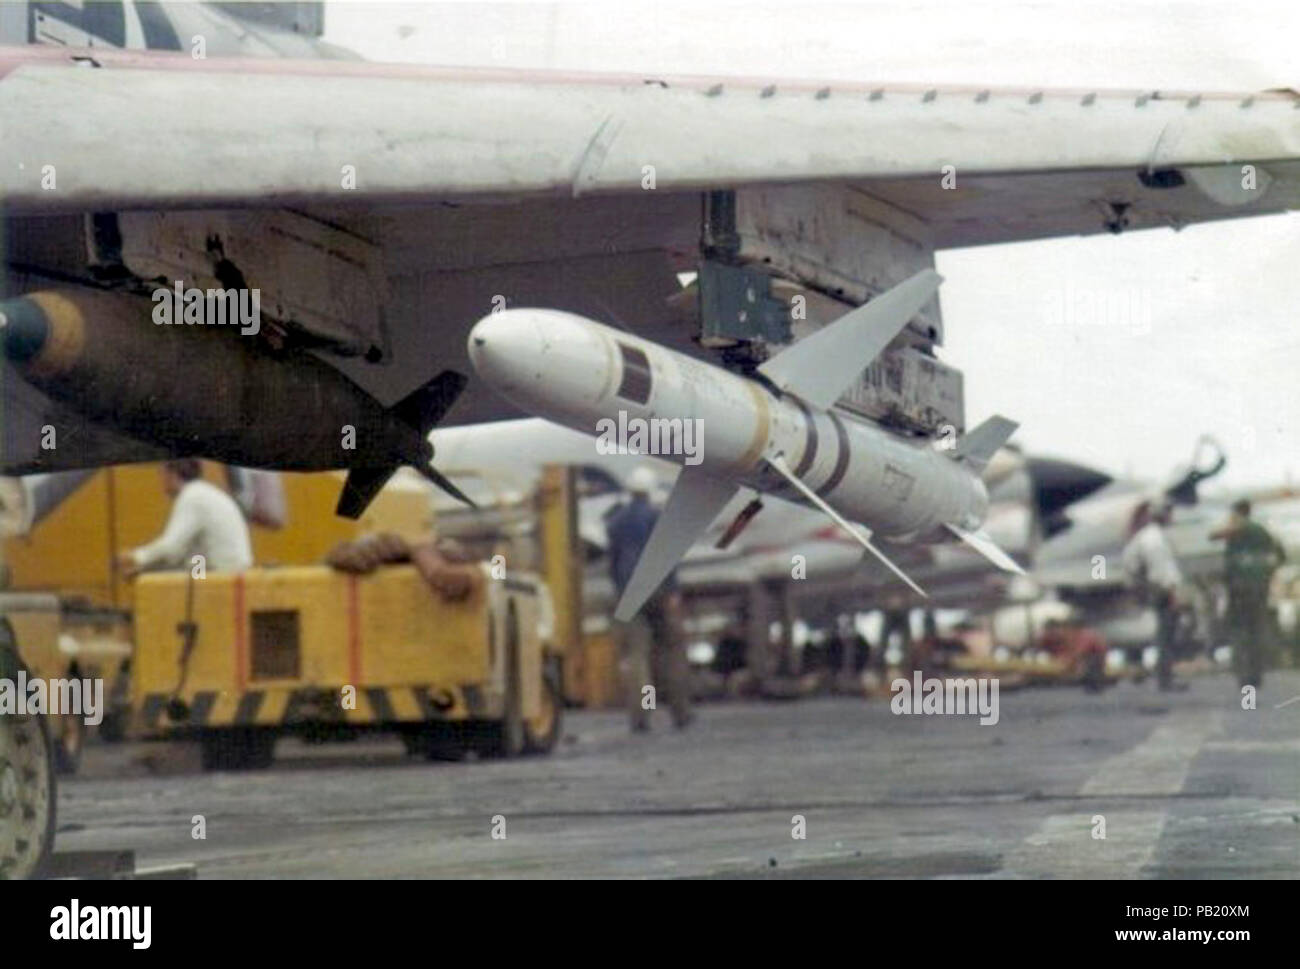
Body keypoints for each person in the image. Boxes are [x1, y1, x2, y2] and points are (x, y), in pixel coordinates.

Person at [606, 467, 692, 732]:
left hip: (629, 592)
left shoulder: (616, 522)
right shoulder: (658, 518)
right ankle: (680, 713)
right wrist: (673, 591)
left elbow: (613, 562)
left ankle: (642, 716)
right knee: (672, 652)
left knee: (637, 657)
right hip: (659, 589)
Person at [117, 459, 253, 577]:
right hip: (225, 572)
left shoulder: (192, 496)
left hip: (218, 577)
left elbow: (170, 548)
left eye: (161, 473)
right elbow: (181, 555)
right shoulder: (204, 492)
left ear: (171, 473)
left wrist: (136, 557)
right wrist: (143, 569)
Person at [1211, 499, 1286, 688]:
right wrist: (1266, 573)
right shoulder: (1263, 531)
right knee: (1256, 630)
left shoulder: (1238, 528)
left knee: (1240, 632)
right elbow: (1280, 555)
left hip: (1239, 590)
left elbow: (1213, 536)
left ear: (1237, 513)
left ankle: (1246, 682)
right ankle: (1255, 676)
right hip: (1259, 589)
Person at [1121, 501, 1186, 691]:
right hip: (1161, 590)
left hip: (1151, 588)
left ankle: (1161, 677)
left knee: (1163, 634)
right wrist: (1173, 594)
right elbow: (1162, 571)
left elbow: (1129, 564)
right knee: (1166, 635)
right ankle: (1165, 680)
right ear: (1163, 515)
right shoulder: (1155, 540)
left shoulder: (1145, 536)